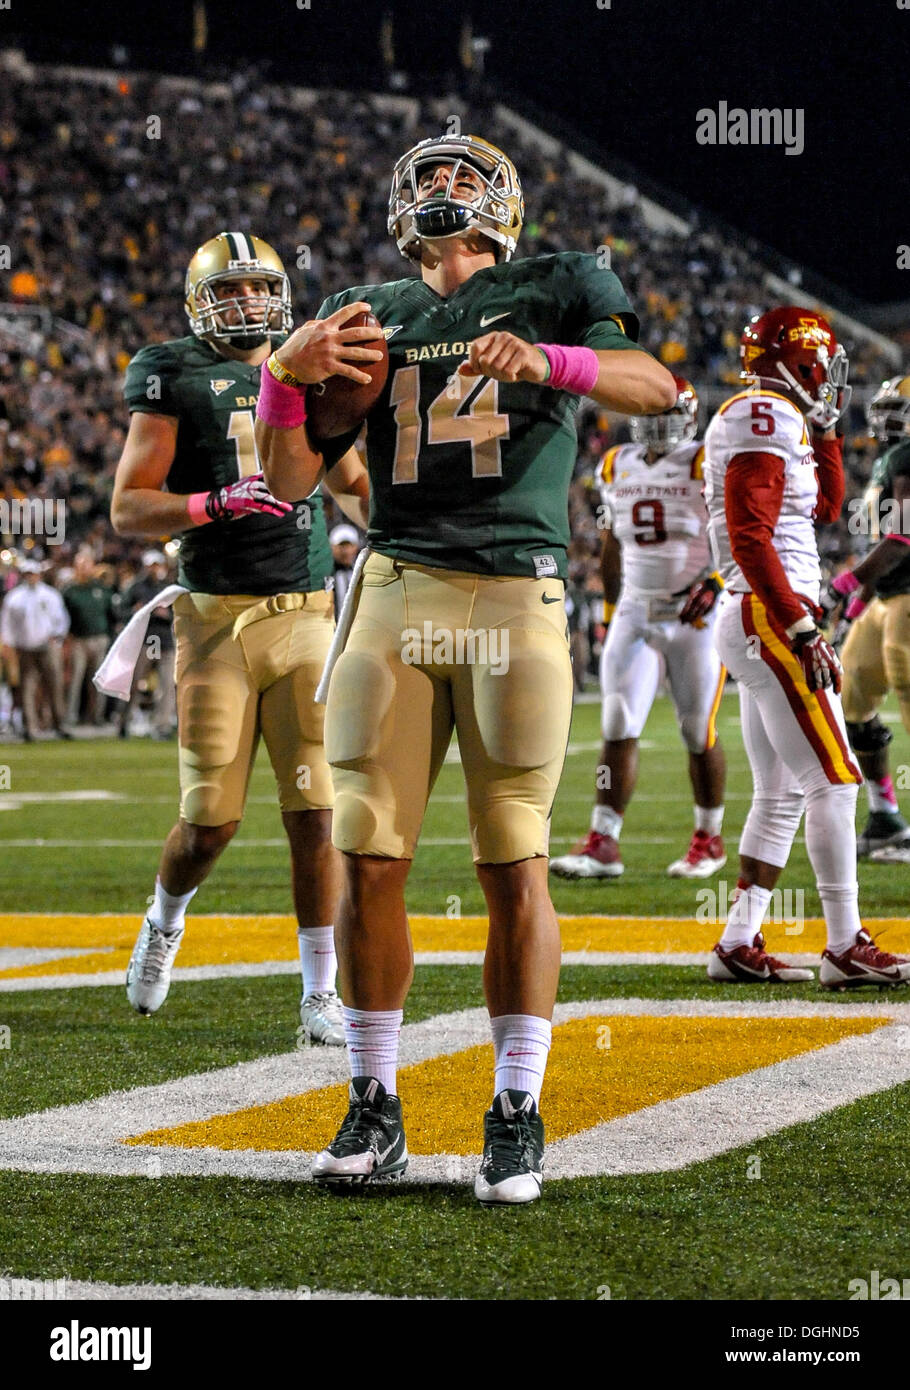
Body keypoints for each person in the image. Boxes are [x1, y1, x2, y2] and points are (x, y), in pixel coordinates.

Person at [255, 133, 676, 1202]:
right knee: (371, 853)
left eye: (462, 173)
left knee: (511, 860)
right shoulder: (365, 308)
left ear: (505, 198)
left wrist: (552, 360)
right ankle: (373, 1099)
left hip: (512, 590)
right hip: (394, 588)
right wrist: (280, 383)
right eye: (425, 175)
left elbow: (654, 385)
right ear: (401, 203)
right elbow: (290, 475)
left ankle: (516, 1108)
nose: (443, 187)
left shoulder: (563, 282)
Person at [111, 231, 369, 1040]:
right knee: (209, 821)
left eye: (260, 289)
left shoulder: (311, 362)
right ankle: (164, 919)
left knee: (316, 811)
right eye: (230, 291)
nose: (250, 305)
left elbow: (354, 484)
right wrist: (211, 505)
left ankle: (319, 991)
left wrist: (407, 535)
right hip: (213, 617)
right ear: (199, 302)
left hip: (305, 614)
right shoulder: (172, 370)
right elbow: (128, 508)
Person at [703, 307, 910, 988]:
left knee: (785, 793)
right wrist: (798, 624)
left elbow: (822, 508)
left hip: (759, 611)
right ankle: (845, 944)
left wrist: (824, 433)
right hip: (770, 611)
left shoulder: (779, 415)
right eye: (818, 362)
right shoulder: (761, 413)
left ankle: (736, 939)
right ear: (792, 359)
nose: (826, 376)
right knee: (836, 777)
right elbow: (749, 538)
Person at [551, 377, 727, 882]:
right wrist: (610, 613)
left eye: (665, 414)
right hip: (634, 608)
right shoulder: (615, 463)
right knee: (617, 724)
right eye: (648, 413)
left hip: (695, 612)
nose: (656, 424)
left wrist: (718, 582)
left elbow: (733, 527)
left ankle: (708, 839)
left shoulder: (704, 461)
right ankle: (603, 842)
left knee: (698, 728)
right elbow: (611, 546)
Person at [819, 376, 910, 862]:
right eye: (885, 408)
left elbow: (902, 540)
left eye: (898, 409)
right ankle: (886, 819)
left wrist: (844, 584)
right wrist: (857, 605)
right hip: (889, 600)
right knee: (851, 697)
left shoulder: (905, 458)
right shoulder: (888, 459)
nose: (886, 418)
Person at [0, 560, 71, 741]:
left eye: (33, 573)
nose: (31, 577)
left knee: (54, 686)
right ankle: (29, 728)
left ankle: (59, 724)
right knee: (27, 690)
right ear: (24, 575)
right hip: (25, 648)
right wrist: (10, 644)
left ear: (39, 575)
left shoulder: (50, 595)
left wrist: (57, 637)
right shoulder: (14, 598)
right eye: (28, 574)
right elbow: (7, 624)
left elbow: (61, 618)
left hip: (47, 647)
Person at [117, 551, 176, 740]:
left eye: (157, 565)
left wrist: (168, 616)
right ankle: (123, 722)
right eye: (151, 565)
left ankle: (162, 726)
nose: (155, 569)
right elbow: (120, 611)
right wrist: (143, 611)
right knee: (134, 684)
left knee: (167, 685)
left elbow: (180, 615)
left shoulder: (168, 588)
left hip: (164, 640)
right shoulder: (135, 587)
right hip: (145, 640)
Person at [63, 549, 116, 727]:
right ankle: (70, 716)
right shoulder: (70, 590)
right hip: (78, 640)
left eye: (87, 564)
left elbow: (112, 614)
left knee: (98, 681)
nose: (84, 568)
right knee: (76, 681)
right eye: (81, 565)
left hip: (99, 639)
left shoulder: (101, 588)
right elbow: (63, 617)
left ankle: (97, 717)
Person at [327, 522, 361, 617]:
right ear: (332, 547)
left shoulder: (363, 573)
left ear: (356, 547)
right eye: (341, 546)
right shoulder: (325, 575)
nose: (346, 551)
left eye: (349, 546)